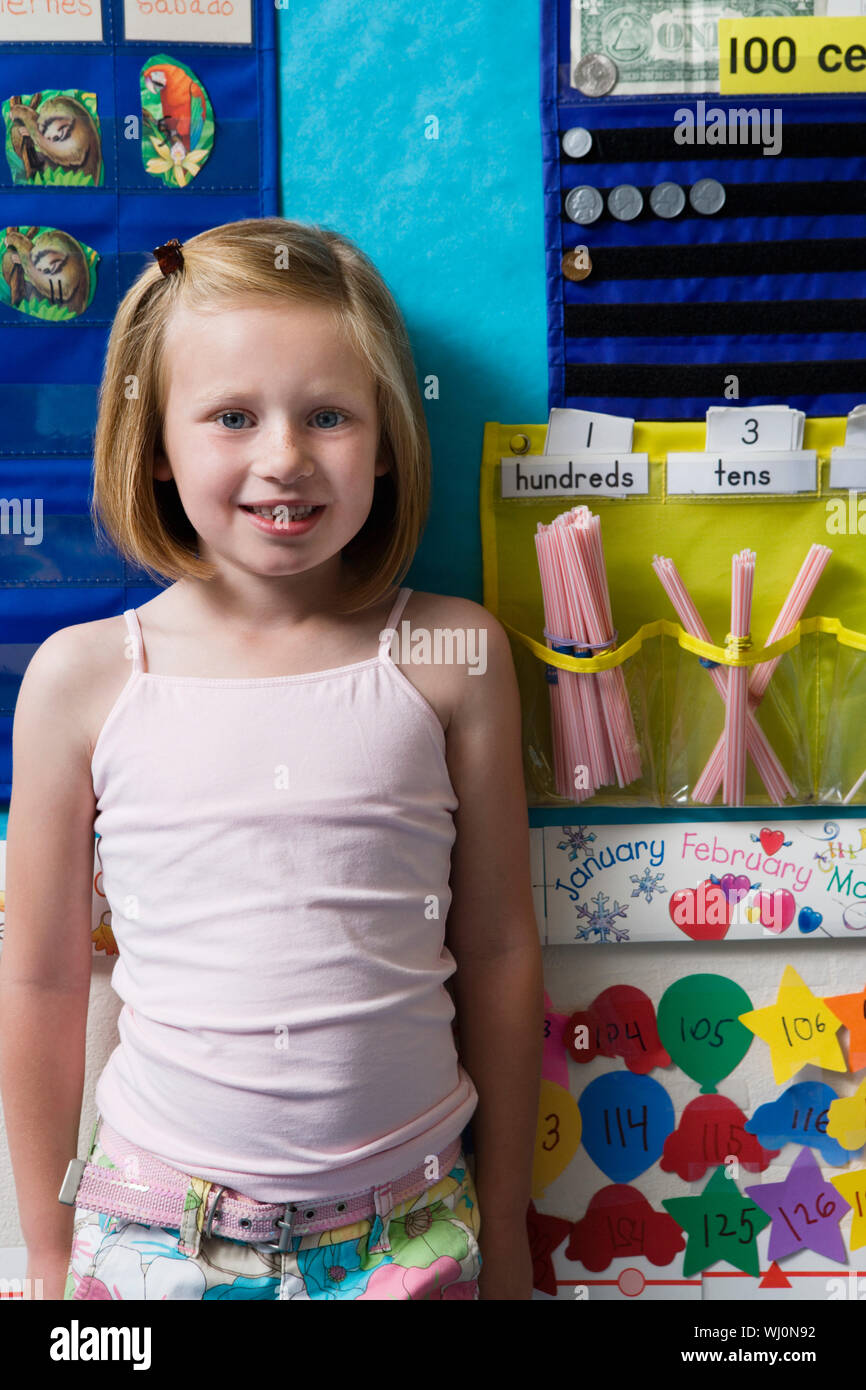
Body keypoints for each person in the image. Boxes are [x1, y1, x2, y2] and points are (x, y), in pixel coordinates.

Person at [0, 217, 543, 1301]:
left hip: (411, 1228)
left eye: (328, 416)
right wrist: (45, 1253)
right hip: (152, 1231)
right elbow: (43, 976)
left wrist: (511, 1237)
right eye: (232, 417)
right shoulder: (83, 678)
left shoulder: (453, 656)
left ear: (387, 439)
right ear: (156, 443)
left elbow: (494, 949)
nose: (284, 457)